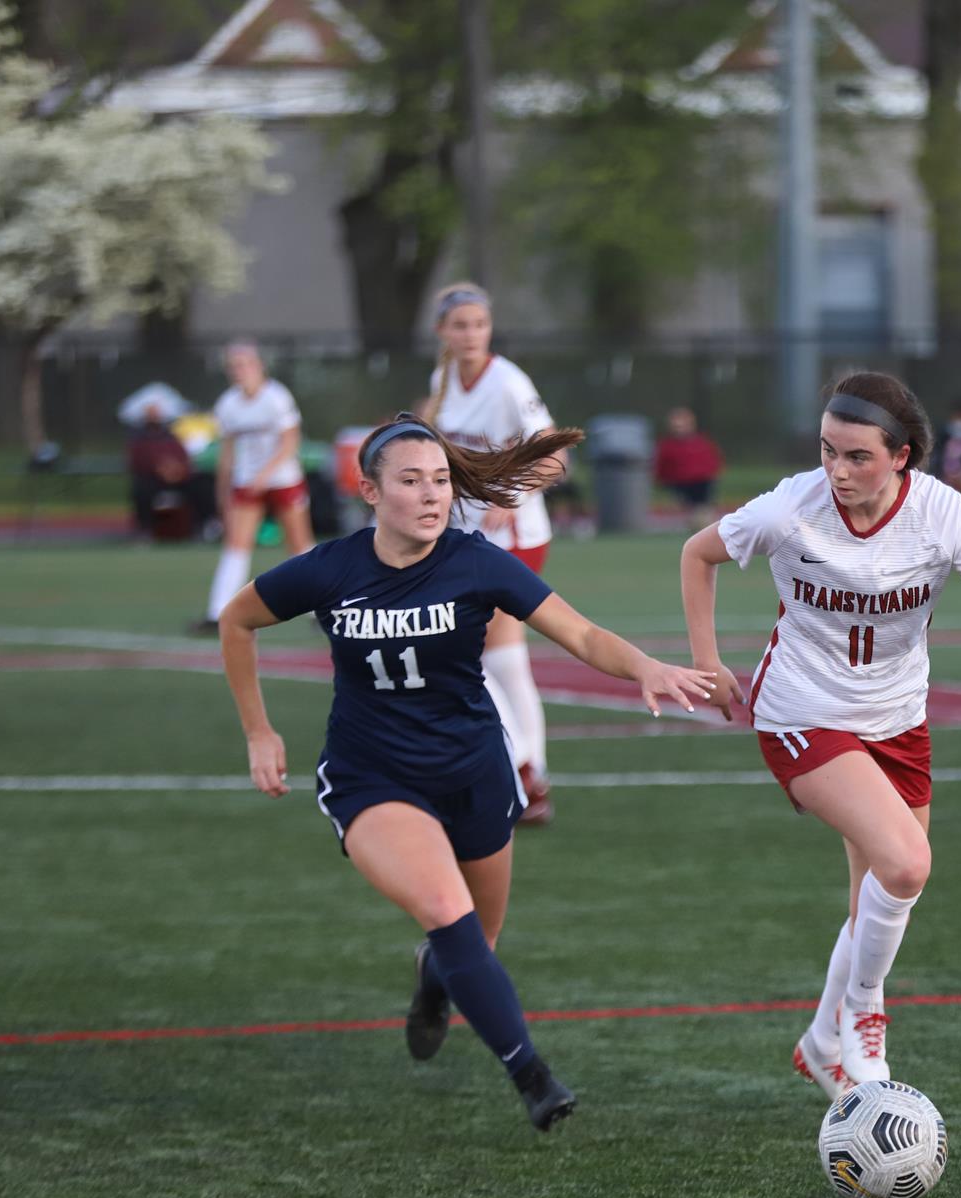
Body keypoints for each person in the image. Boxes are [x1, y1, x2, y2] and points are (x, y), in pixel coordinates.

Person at [217, 414, 716, 1133]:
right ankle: (533, 1075)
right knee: (448, 912)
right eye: (411, 480)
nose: (431, 495)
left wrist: (646, 665)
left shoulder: (475, 560)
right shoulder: (331, 567)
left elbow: (577, 631)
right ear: (368, 489)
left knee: (472, 941)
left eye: (442, 480)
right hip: (374, 777)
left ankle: (434, 978)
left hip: (475, 770)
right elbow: (237, 621)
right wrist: (259, 730)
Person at [679, 371, 961, 1095]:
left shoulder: (942, 513)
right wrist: (706, 662)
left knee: (876, 896)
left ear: (902, 456)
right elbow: (698, 554)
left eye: (857, 457)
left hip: (897, 721)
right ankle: (864, 1012)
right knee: (908, 864)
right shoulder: (792, 505)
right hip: (802, 713)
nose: (837, 471)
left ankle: (822, 1043)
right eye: (827, 452)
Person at [424, 283, 557, 826]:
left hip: (516, 536)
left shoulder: (507, 381)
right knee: (497, 658)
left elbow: (552, 455)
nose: (471, 334)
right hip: (468, 535)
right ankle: (529, 772)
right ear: (443, 333)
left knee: (483, 653)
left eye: (479, 324)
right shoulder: (442, 380)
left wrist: (516, 493)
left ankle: (527, 771)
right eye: (460, 325)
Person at [195, 342, 313, 632]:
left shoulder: (276, 397)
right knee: (236, 545)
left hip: (283, 480)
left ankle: (320, 612)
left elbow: (290, 442)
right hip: (246, 483)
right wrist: (222, 491)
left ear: (260, 366)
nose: (240, 371)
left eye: (245, 364)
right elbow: (228, 453)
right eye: (234, 366)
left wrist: (266, 475)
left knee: (299, 544)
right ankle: (217, 613)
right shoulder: (228, 404)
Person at [125, 403, 195, 540]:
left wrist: (177, 470)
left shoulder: (170, 437)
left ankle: (201, 527)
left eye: (156, 414)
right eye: (151, 414)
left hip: (177, 478)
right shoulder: (138, 439)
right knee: (141, 489)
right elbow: (136, 462)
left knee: (199, 485)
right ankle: (144, 529)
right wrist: (159, 469)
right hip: (152, 478)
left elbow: (184, 458)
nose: (154, 418)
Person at [653, 406, 725, 529]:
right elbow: (662, 466)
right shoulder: (667, 445)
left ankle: (702, 529)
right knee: (691, 511)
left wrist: (712, 474)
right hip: (680, 483)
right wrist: (662, 480)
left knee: (702, 510)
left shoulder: (701, 442)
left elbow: (714, 461)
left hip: (702, 482)